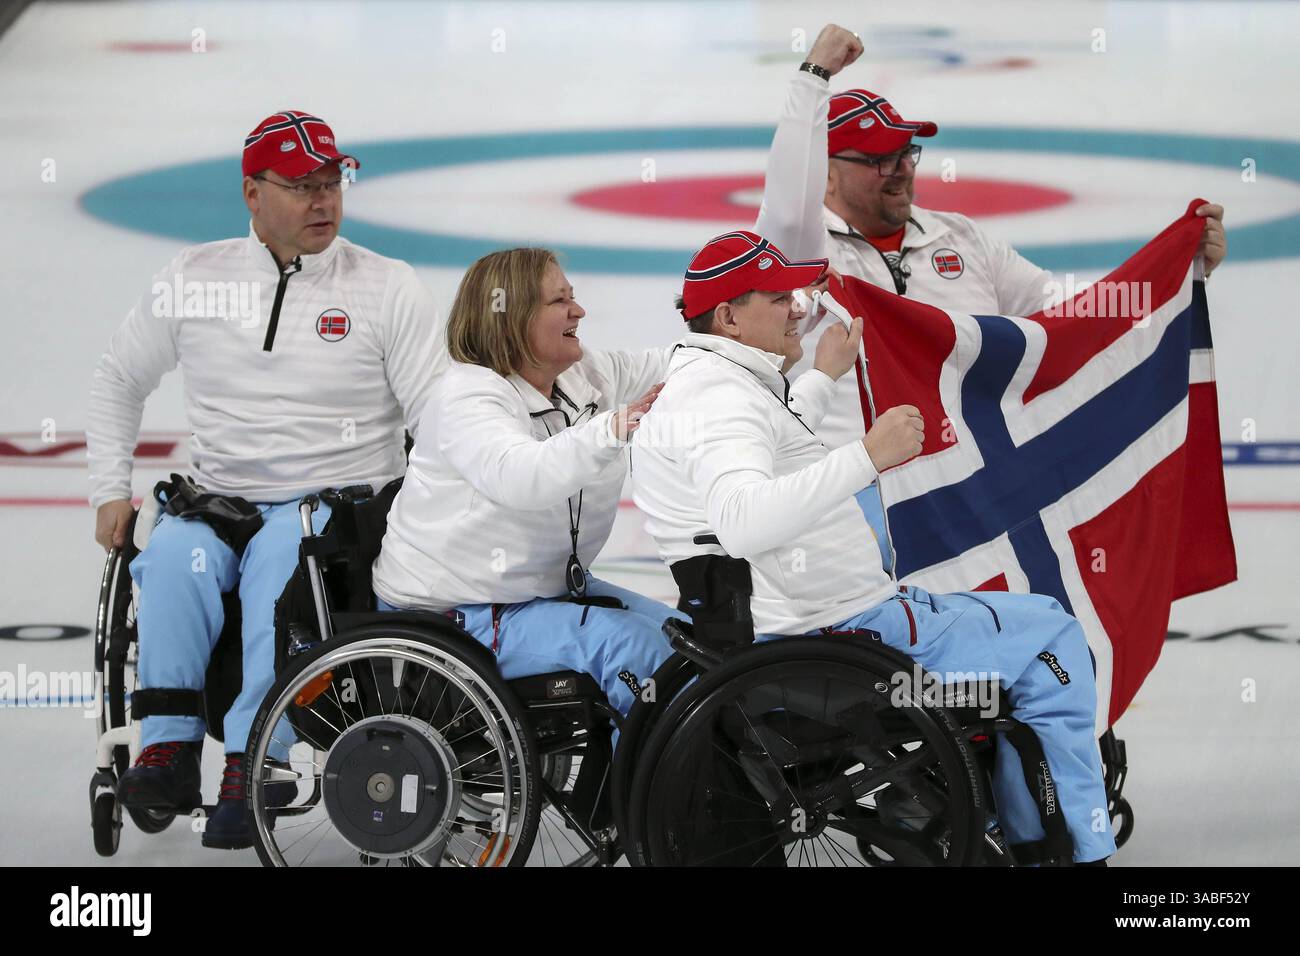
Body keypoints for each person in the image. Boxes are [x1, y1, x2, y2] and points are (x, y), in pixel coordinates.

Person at [630, 229, 1118, 864]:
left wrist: (824, 376)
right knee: (1052, 635)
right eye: (779, 299)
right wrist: (868, 455)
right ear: (728, 316)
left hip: (791, 636)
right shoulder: (723, 400)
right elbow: (744, 520)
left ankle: (969, 815)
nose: (798, 310)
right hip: (846, 637)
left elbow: (769, 448)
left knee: (1022, 627)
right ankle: (1064, 850)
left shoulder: (705, 385)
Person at [87, 111, 443, 849]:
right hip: (222, 500)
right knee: (173, 559)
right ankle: (168, 745)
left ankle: (255, 758)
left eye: (331, 182)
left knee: (282, 564)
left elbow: (437, 410)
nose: (324, 200)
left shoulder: (385, 286)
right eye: (302, 186)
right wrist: (107, 489)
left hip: (335, 505)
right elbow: (119, 379)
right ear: (252, 194)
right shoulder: (194, 279)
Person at [756, 24, 1229, 564]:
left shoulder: (960, 237)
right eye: (877, 160)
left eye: (906, 154)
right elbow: (788, 198)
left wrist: (1175, 280)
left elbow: (1075, 316)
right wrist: (814, 75)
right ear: (828, 176)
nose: (899, 173)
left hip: (968, 492)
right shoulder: (800, 256)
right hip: (855, 498)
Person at [372, 248, 693, 717]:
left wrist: (752, 332)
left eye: (574, 297)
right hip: (453, 619)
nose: (578, 311)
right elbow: (520, 477)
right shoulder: (467, 397)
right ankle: (657, 790)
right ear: (513, 318)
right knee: (639, 654)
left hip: (528, 595)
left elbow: (673, 363)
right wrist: (611, 428)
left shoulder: (579, 376)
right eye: (559, 301)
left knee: (686, 639)